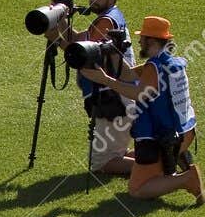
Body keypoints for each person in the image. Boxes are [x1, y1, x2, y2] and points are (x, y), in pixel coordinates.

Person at [85, 14, 203, 204]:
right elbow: (130, 75)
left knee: (137, 189)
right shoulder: (171, 62)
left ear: (151, 41)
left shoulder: (153, 68)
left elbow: (138, 93)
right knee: (143, 174)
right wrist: (115, 54)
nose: (139, 41)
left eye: (142, 38)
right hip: (185, 132)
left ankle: (185, 178)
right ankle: (176, 160)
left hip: (163, 138)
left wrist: (105, 80)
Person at [56, 0, 136, 176]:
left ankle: (156, 168)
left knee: (100, 163)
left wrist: (56, 41)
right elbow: (76, 39)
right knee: (114, 154)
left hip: (114, 98)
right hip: (119, 95)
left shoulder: (107, 21)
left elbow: (82, 55)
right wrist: (61, 19)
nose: (93, 1)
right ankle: (157, 158)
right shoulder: (110, 16)